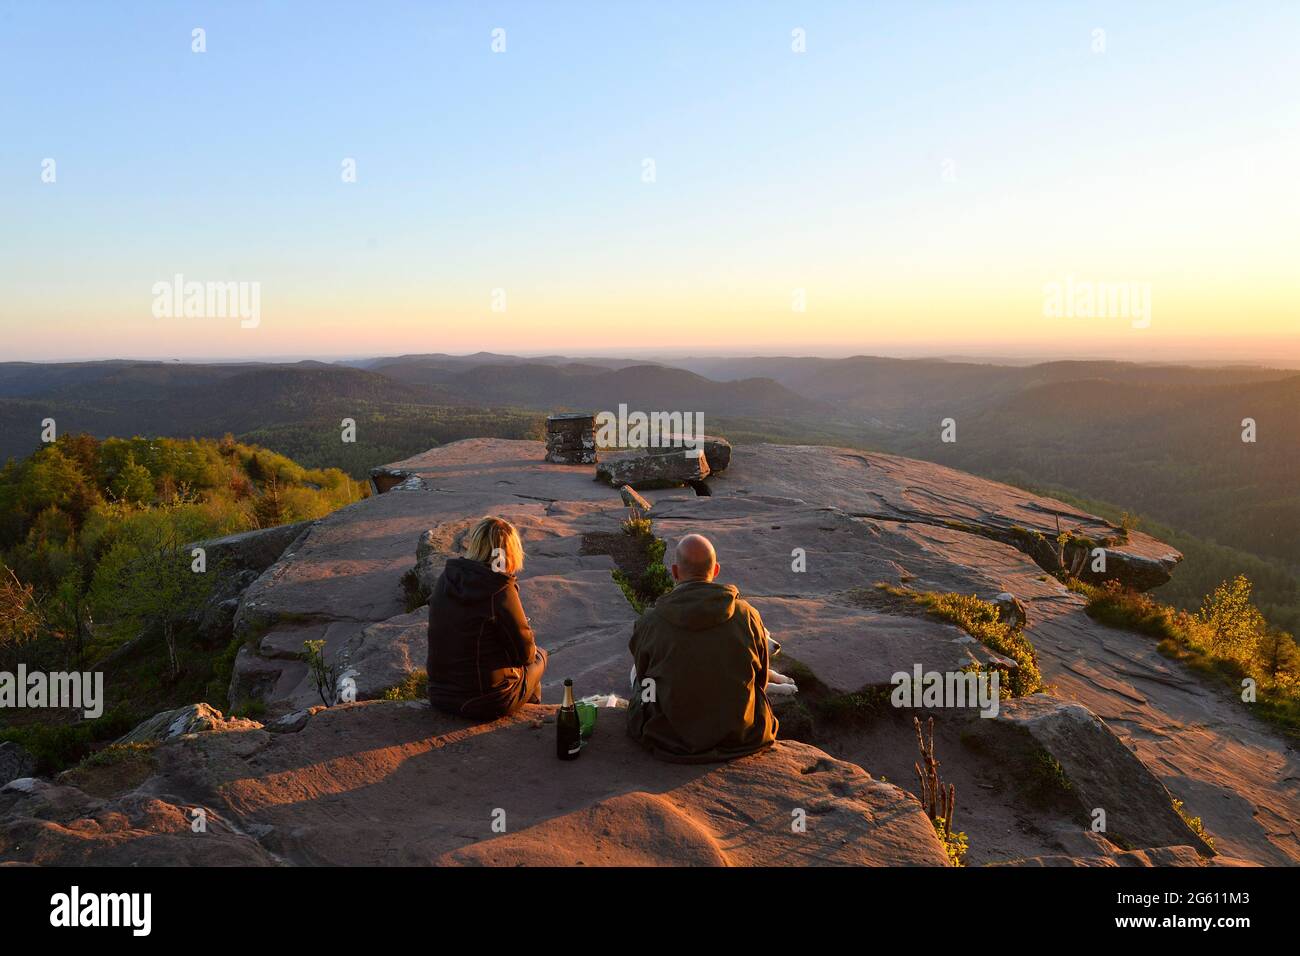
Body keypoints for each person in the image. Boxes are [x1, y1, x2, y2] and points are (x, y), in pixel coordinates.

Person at [626, 533, 779, 762]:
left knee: (642, 683)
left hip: (668, 739)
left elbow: (644, 676)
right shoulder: (748, 615)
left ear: (675, 572)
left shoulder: (651, 622)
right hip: (743, 736)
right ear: (716, 570)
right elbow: (761, 680)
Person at [426, 516, 548, 720]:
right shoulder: (500, 589)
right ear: (511, 551)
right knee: (540, 657)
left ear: (475, 543)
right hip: (484, 701)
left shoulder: (447, 577)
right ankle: (528, 722)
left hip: (439, 694)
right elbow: (525, 655)